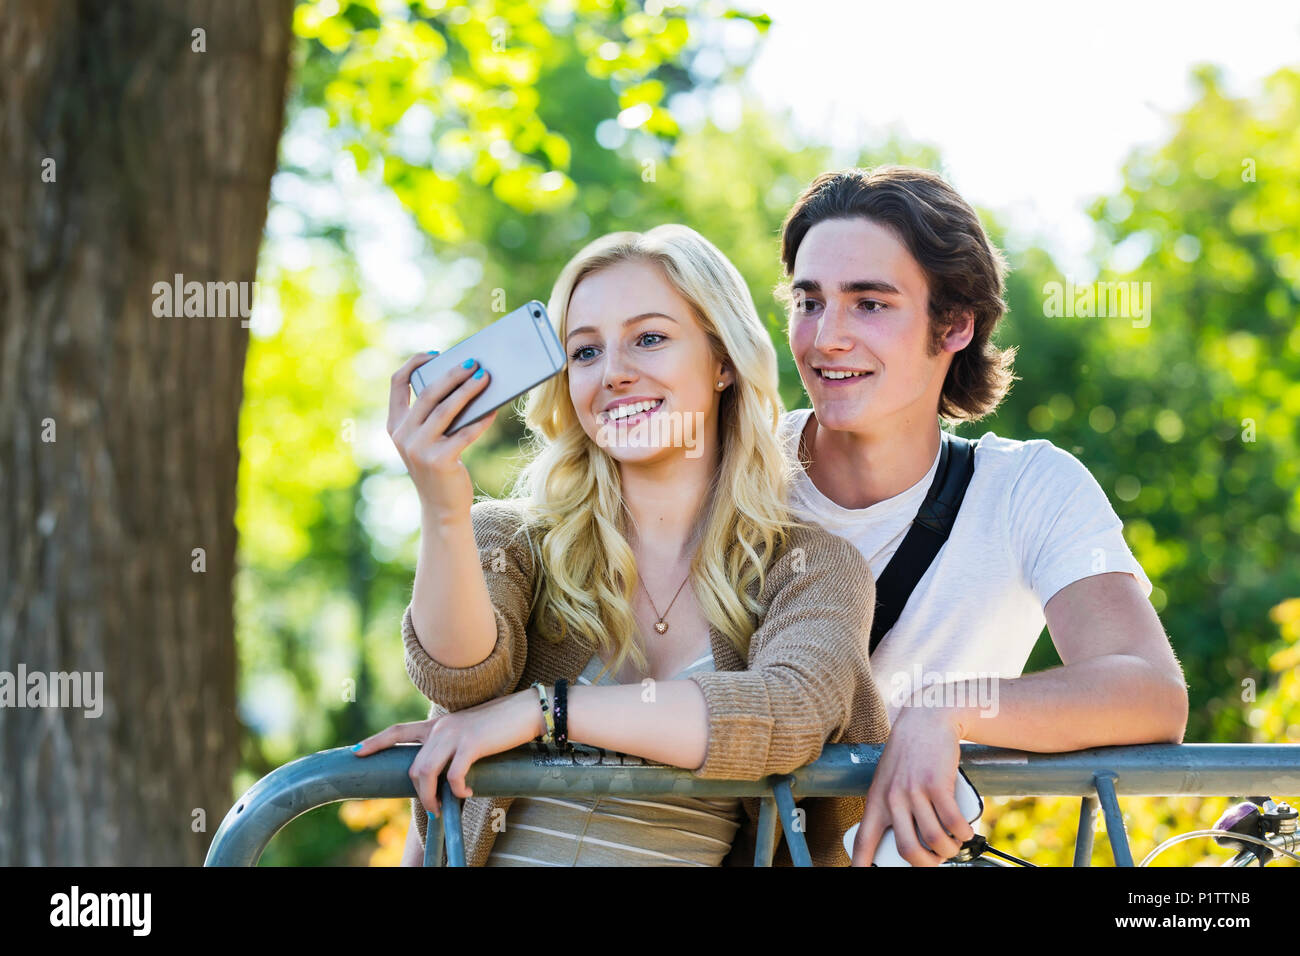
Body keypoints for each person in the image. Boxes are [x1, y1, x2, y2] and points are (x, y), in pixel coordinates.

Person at [353, 224, 890, 866]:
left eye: (650, 339)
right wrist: (442, 507)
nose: (614, 374)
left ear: (723, 362)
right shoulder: (511, 539)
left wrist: (545, 713)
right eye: (584, 352)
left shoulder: (810, 566)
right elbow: (462, 681)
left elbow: (790, 713)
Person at [770, 165, 1190, 866]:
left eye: (870, 304)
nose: (826, 338)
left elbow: (1150, 693)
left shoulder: (1029, 488)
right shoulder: (734, 471)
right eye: (809, 301)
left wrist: (947, 706)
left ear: (956, 324)